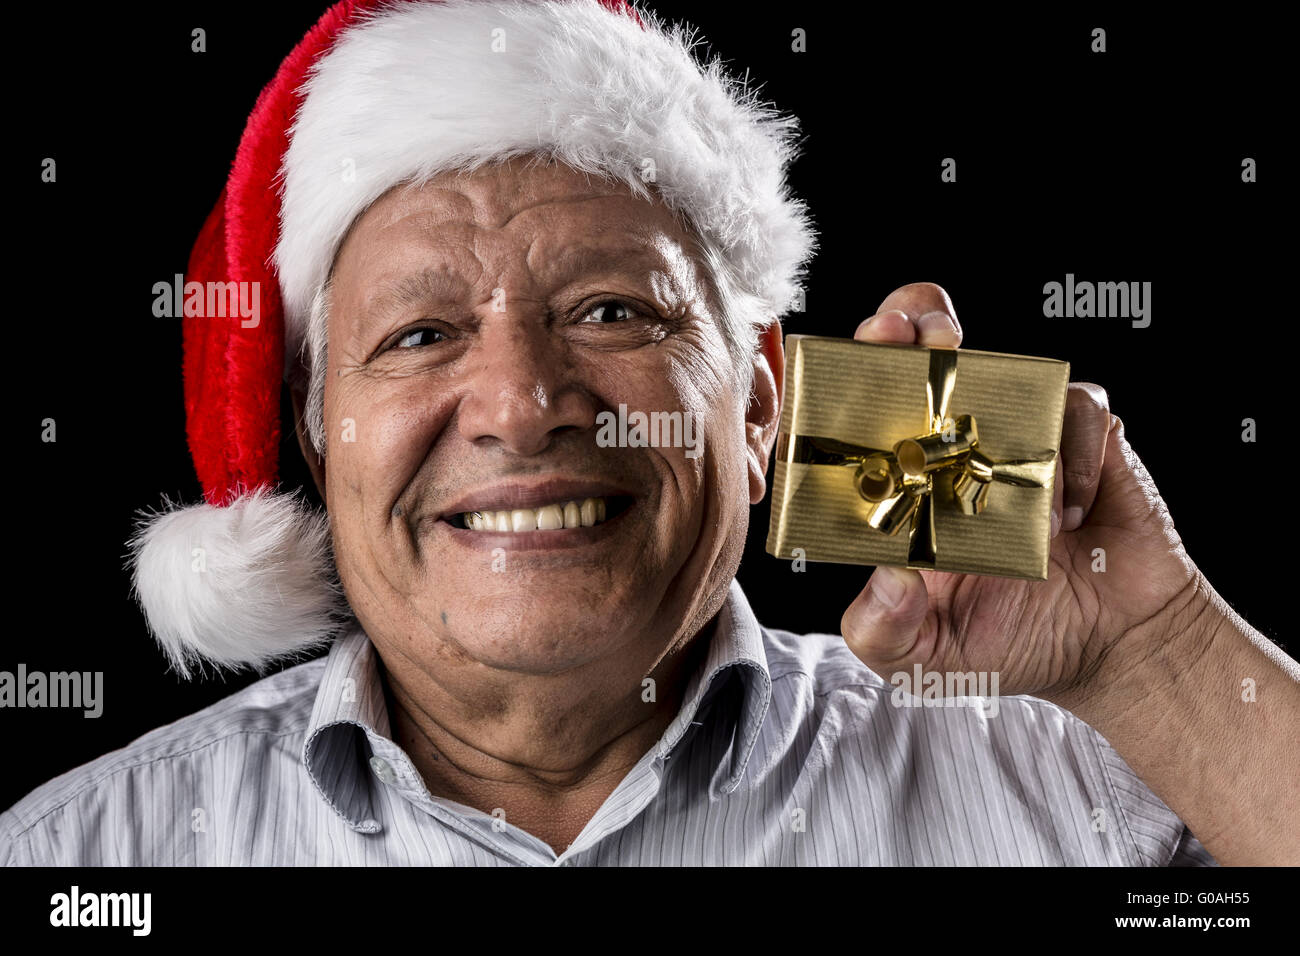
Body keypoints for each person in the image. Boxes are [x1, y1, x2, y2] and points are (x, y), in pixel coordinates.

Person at [3, 0, 1296, 866]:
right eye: (419, 335)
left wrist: (1149, 650)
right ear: (314, 435)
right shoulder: (90, 859)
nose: (521, 404)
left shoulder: (1085, 791)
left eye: (613, 310)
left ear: (762, 406)